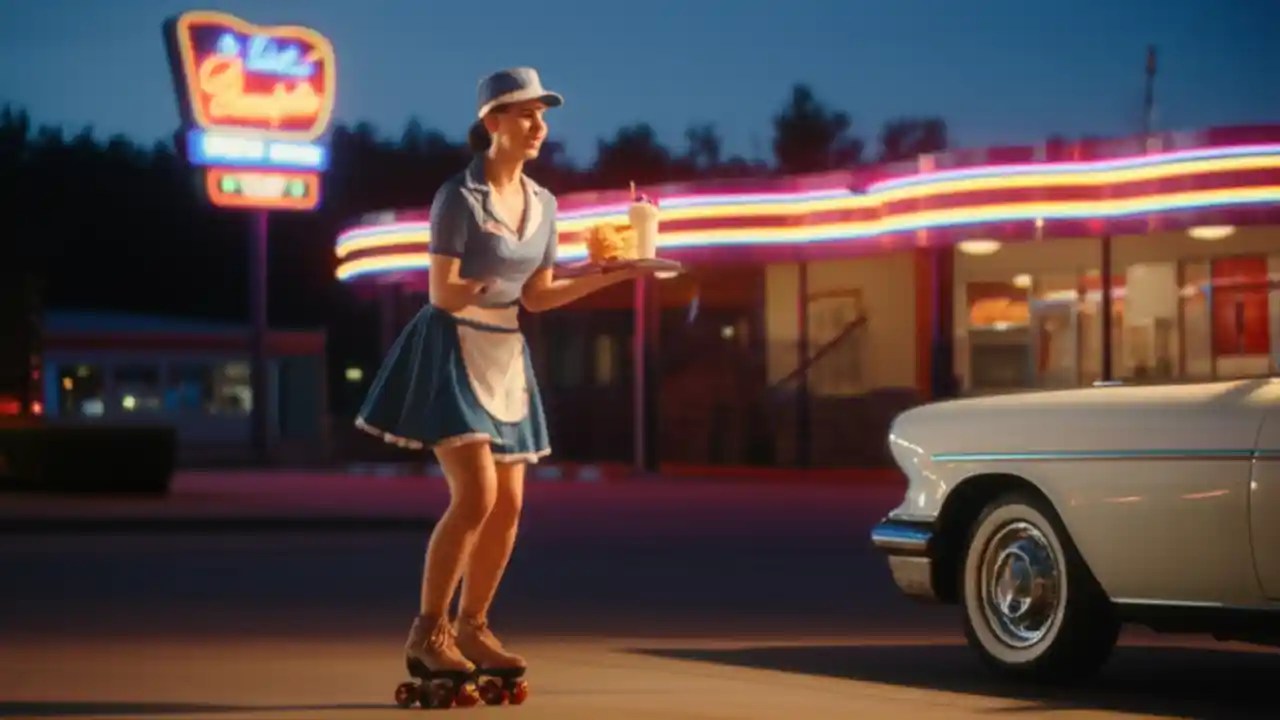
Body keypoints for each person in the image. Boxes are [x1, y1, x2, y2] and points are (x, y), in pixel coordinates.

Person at [355, 67, 654, 695]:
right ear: (493, 122)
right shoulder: (457, 198)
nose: (539, 125)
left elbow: (540, 298)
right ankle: (427, 632)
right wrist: (482, 286)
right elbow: (441, 291)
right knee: (476, 496)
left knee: (511, 504)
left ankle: (474, 626)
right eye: (525, 114)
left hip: (506, 352)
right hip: (450, 345)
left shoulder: (544, 204)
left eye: (542, 115)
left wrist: (616, 275)